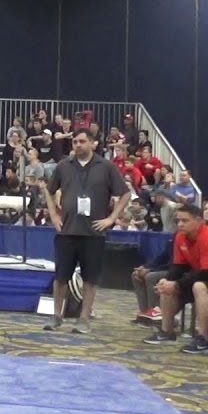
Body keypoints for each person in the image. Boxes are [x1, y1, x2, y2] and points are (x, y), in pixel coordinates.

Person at [40, 129, 128, 334]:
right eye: (74, 142)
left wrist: (111, 218)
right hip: (67, 230)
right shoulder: (63, 166)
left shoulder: (106, 167)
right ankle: (56, 316)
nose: (77, 145)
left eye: (81, 141)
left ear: (92, 143)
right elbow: (49, 191)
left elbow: (124, 194)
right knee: (61, 276)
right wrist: (54, 216)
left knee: (90, 278)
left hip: (94, 232)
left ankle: (84, 318)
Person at [143, 203, 208, 353]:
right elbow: (178, 266)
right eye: (177, 221)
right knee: (167, 284)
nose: (180, 224)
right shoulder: (180, 237)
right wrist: (169, 281)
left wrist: (177, 284)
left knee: (199, 286)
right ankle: (167, 332)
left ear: (199, 221)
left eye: (185, 221)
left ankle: (204, 339)